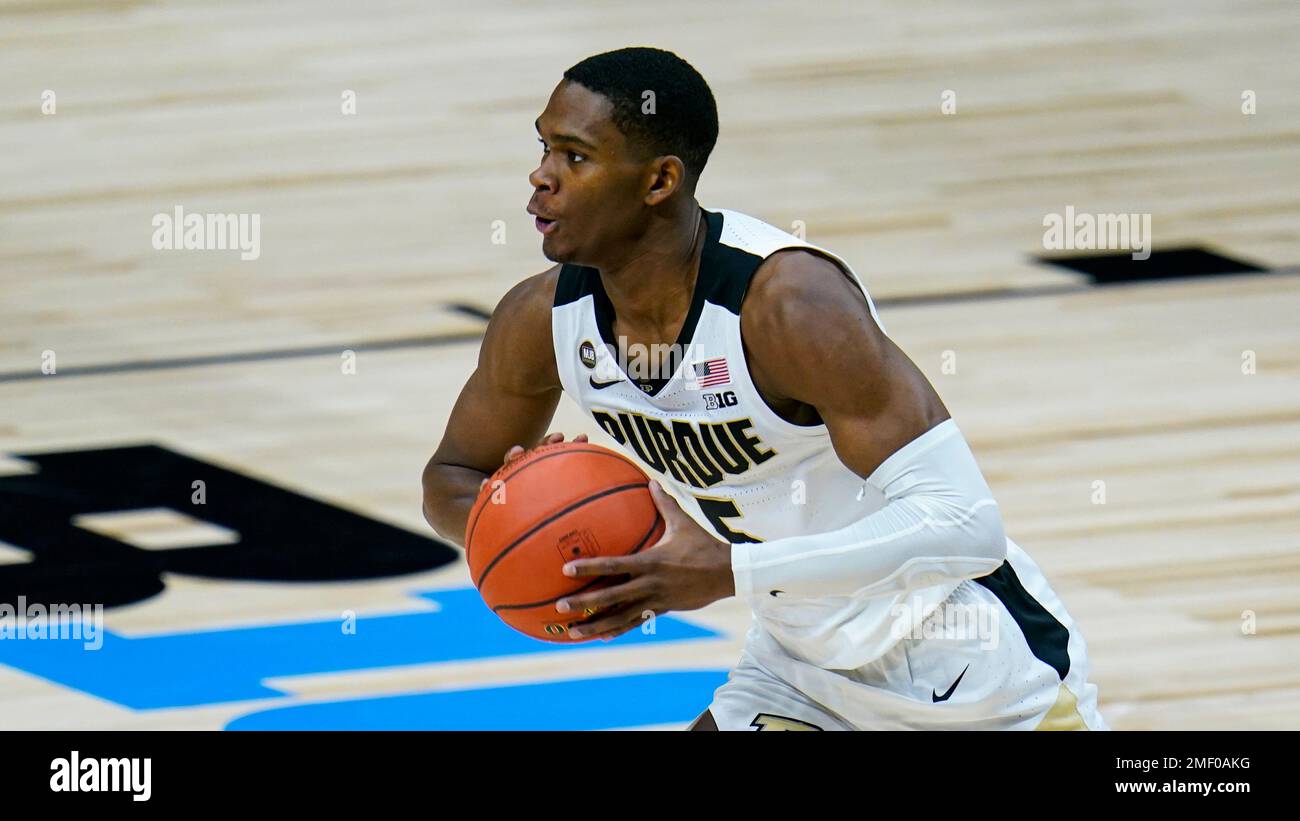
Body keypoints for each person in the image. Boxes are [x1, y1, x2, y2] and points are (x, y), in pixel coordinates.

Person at [422, 46, 1107, 731]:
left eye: (574, 156)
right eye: (544, 147)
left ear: (659, 181)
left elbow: (968, 527)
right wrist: (514, 516)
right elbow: (452, 476)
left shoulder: (788, 304)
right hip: (798, 669)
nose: (540, 176)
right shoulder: (541, 320)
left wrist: (731, 571)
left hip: (970, 669)